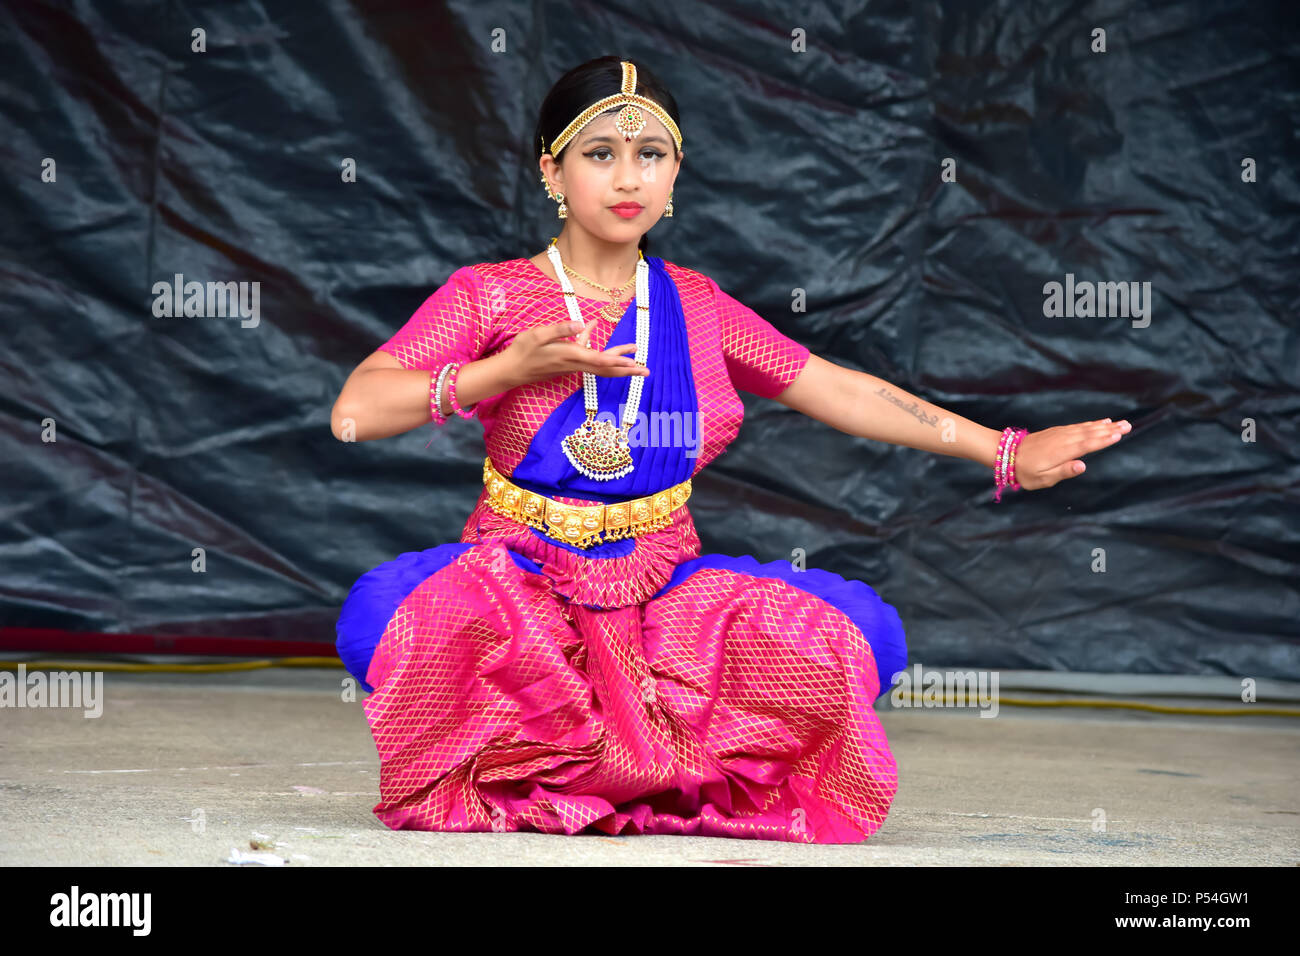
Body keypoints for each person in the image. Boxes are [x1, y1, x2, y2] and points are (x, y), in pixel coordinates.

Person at [330, 56, 1131, 844]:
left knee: (860, 636)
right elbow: (355, 414)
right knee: (382, 622)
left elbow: (838, 389)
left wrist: (1005, 449)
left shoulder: (697, 304)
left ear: (676, 173)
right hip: (523, 581)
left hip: (661, 587)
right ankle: (618, 759)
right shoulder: (492, 294)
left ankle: (599, 762)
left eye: (651, 156)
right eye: (600, 154)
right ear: (553, 170)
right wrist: (503, 371)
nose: (627, 179)